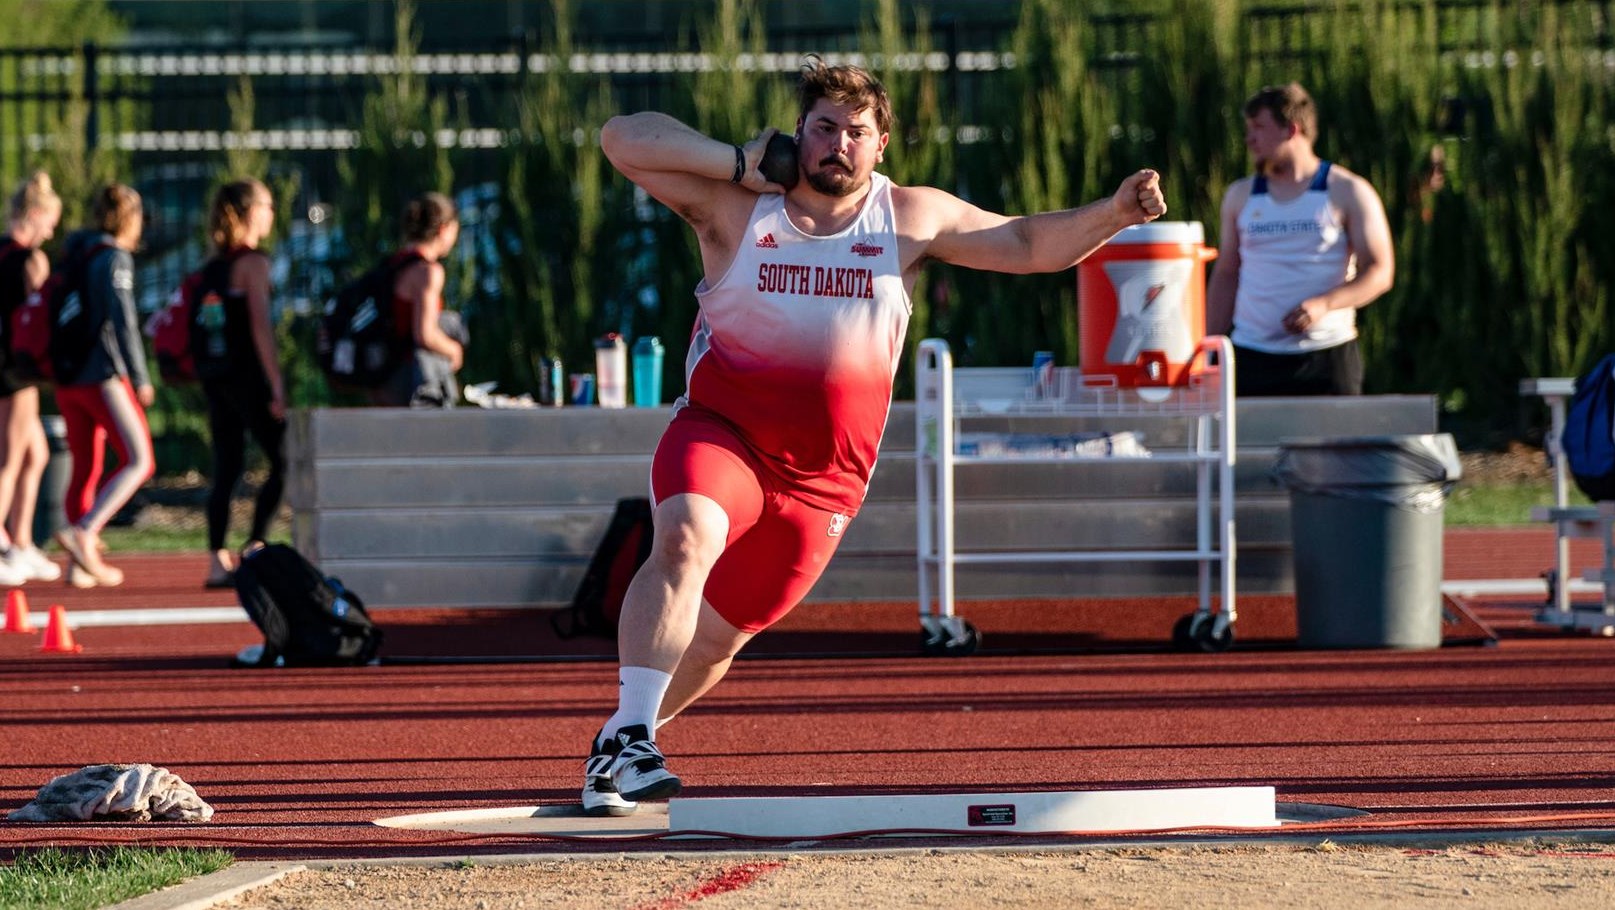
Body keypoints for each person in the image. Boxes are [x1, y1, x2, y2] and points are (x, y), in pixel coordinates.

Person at [580, 58, 1166, 816]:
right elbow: (622, 138)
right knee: (685, 536)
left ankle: (621, 741)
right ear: (799, 134)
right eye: (823, 127)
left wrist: (1114, 212)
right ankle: (633, 736)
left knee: (718, 641)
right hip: (723, 435)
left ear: (880, 146)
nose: (838, 144)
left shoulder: (909, 218)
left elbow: (1024, 244)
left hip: (824, 481)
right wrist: (737, 161)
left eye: (856, 132)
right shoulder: (735, 208)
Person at [1205, 82, 1395, 397]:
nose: (1249, 139)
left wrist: (1324, 305)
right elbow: (1226, 273)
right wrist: (1206, 347)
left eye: (1258, 128)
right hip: (1252, 355)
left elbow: (1380, 272)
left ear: (1291, 129)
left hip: (1327, 355)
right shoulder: (1240, 195)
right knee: (1250, 448)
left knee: (1333, 448)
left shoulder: (1347, 190)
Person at [52, 183, 156, 588]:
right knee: (139, 459)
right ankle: (86, 531)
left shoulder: (75, 253)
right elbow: (124, 321)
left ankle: (80, 564)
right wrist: (140, 376)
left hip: (67, 376)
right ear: (129, 217)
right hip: (102, 375)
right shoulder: (114, 258)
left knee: (86, 467)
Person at [197, 179, 286, 588]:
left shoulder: (213, 265)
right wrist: (277, 384)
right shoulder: (253, 264)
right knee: (284, 458)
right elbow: (260, 328)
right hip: (248, 376)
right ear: (251, 213)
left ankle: (218, 559)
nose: (273, 212)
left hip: (217, 377)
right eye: (268, 205)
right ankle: (255, 545)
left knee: (227, 466)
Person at [0, 172, 64, 586]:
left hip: (7, 363)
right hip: (14, 368)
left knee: (35, 453)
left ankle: (20, 541)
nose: (53, 229)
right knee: (9, 458)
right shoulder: (30, 260)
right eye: (51, 220)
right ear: (37, 214)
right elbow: (42, 315)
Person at [371, 192, 465, 408]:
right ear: (444, 229)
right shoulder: (428, 272)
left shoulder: (395, 263)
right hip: (410, 380)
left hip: (384, 376)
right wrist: (454, 350)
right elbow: (425, 334)